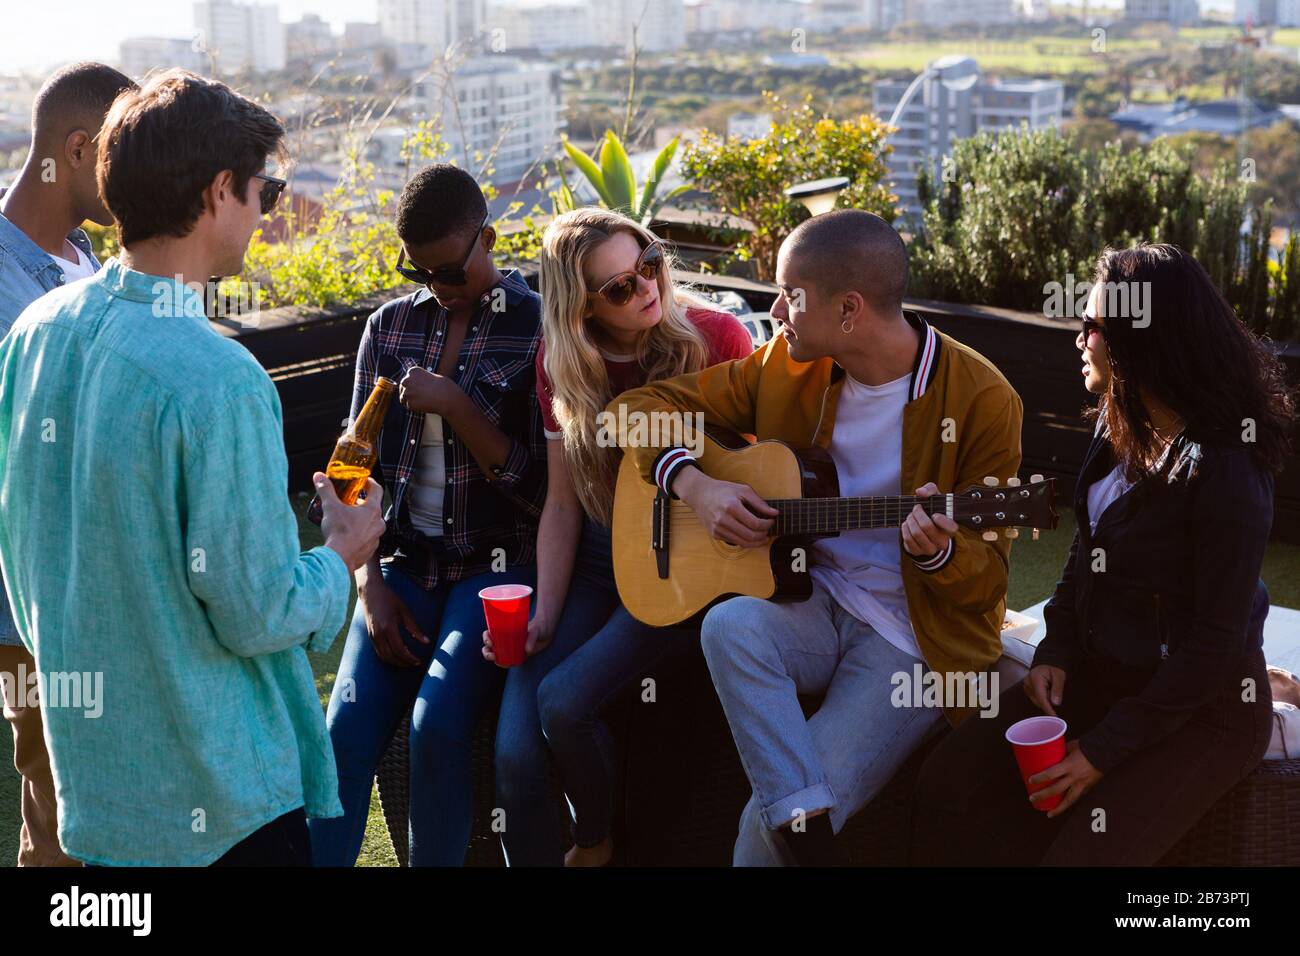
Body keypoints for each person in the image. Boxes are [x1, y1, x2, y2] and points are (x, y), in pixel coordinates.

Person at [0, 68, 385, 866]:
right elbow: (255, 610)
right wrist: (340, 554)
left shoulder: (34, 333)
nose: (264, 213)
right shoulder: (215, 379)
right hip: (218, 804)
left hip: (98, 799)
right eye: (264, 193)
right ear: (219, 192)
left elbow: (19, 550)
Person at [612, 209, 1024, 865]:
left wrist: (942, 550)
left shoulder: (982, 398)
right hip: (813, 599)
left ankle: (800, 833)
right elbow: (634, 413)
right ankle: (810, 834)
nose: (773, 310)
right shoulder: (787, 366)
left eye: (789, 296)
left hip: (911, 640)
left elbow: (988, 582)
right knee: (729, 626)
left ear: (850, 311)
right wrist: (697, 486)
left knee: (760, 829)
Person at [912, 244, 1294, 865]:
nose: (1080, 339)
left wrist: (1101, 752)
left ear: (1143, 339)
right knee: (947, 786)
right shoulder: (1120, 422)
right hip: (1105, 675)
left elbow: (1213, 646)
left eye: (1092, 326)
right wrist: (1057, 649)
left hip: (1203, 709)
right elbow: (1084, 554)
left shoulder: (1228, 469)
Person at [480, 207, 753, 866]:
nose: (648, 289)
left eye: (650, 265)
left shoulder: (717, 338)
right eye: (620, 288)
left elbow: (752, 473)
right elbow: (564, 504)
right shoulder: (565, 362)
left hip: (679, 564)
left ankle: (596, 842)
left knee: (565, 703)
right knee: (515, 752)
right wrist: (544, 613)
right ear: (583, 309)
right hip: (599, 557)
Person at [308, 163, 548, 867]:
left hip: (493, 569)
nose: (436, 288)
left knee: (435, 727)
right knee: (338, 742)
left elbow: (539, 489)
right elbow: (352, 473)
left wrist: (458, 407)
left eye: (448, 270)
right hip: (404, 565)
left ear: (489, 240)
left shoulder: (534, 327)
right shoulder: (390, 326)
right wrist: (369, 589)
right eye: (420, 273)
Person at [0, 61, 135, 867]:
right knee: (66, 826)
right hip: (35, 609)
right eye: (124, 153)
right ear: (80, 150)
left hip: (100, 591)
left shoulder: (85, 257)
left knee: (98, 812)